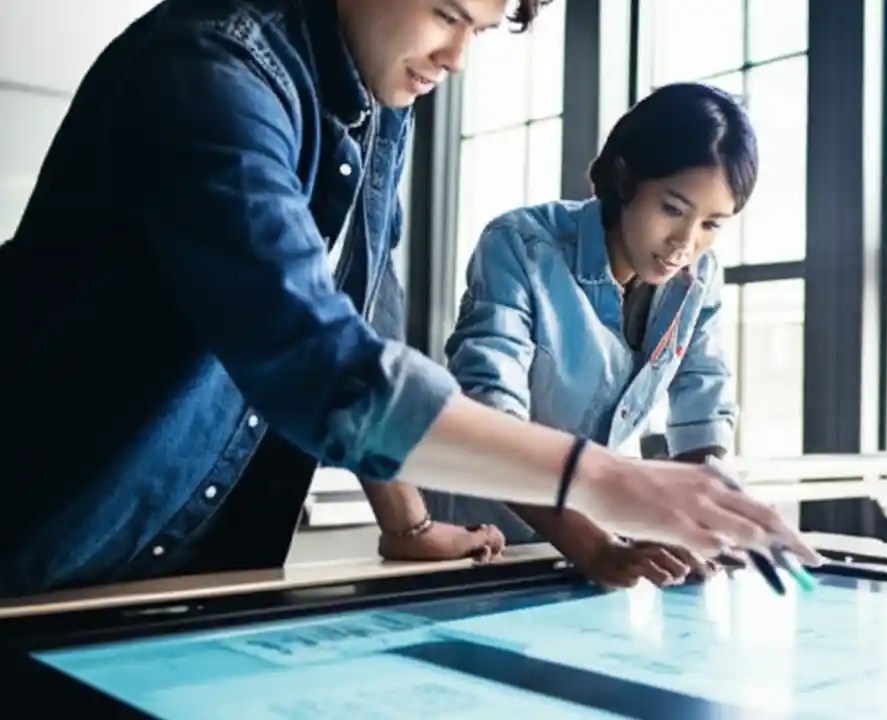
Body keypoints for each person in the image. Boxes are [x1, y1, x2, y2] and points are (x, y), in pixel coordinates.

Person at [0, 0, 818, 597]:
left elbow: (361, 321)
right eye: (445, 13)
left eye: (482, 28)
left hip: (198, 567)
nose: (457, 56)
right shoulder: (210, 70)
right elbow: (317, 362)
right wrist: (608, 482)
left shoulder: (380, 105)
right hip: (48, 550)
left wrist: (408, 525)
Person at [425, 82, 752, 589]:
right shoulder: (520, 245)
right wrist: (595, 548)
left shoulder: (699, 280)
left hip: (596, 552)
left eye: (711, 224)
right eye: (672, 209)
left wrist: (696, 528)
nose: (685, 244)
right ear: (625, 178)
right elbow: (491, 419)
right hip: (485, 547)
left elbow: (703, 417)